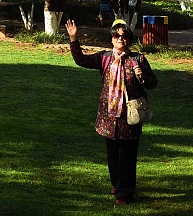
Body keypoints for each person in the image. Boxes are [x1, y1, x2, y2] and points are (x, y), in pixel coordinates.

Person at [66, 17, 158, 205]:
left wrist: (142, 77)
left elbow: (153, 82)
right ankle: (117, 183)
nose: (120, 38)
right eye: (116, 35)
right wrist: (74, 39)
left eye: (124, 36)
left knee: (127, 155)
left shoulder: (137, 59)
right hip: (109, 116)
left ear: (129, 40)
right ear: (112, 39)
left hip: (129, 116)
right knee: (112, 153)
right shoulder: (104, 57)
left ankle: (125, 193)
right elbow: (81, 60)